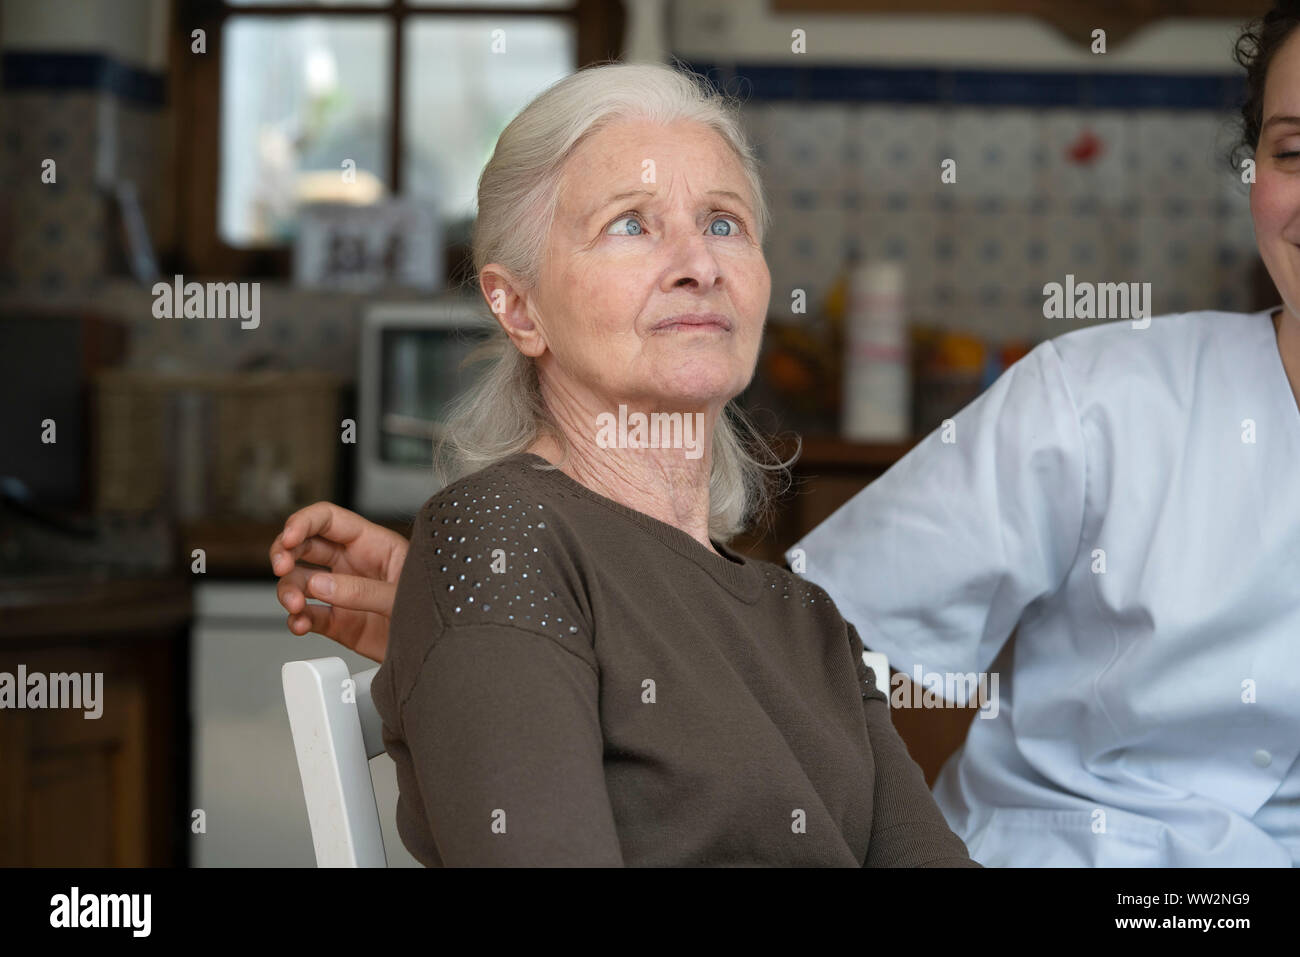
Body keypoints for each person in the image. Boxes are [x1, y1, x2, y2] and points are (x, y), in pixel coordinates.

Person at [272, 61, 977, 867]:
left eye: (723, 223)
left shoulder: (807, 619)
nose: (698, 264)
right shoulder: (496, 535)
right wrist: (476, 598)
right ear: (519, 306)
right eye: (631, 224)